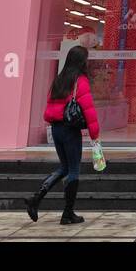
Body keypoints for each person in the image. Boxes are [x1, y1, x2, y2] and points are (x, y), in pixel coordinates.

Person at [26, 45, 100, 225]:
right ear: (82, 61)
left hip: (56, 128)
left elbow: (51, 106)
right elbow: (88, 109)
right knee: (73, 170)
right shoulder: (80, 80)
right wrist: (95, 134)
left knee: (65, 167)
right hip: (70, 130)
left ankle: (36, 198)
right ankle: (68, 213)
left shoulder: (59, 79)